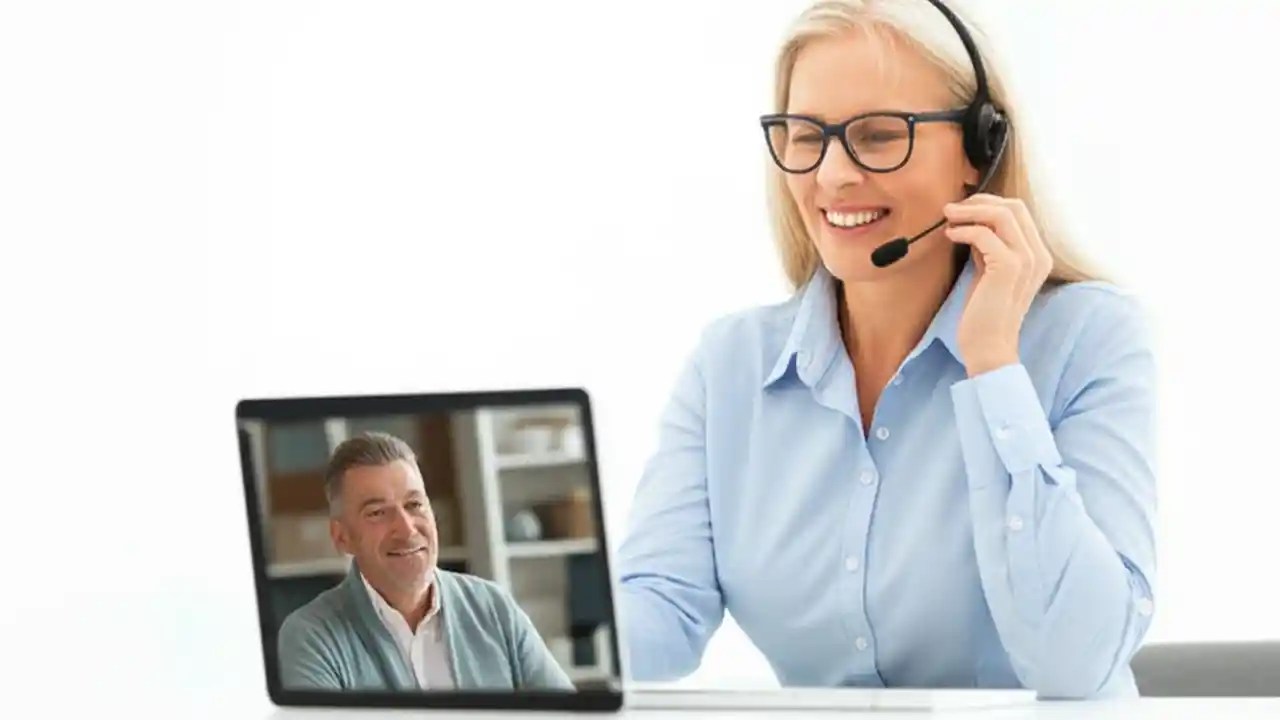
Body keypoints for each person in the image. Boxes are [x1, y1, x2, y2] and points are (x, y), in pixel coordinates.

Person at [615, 0, 1157, 701]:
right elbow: (660, 605)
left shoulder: (1089, 337)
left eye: (877, 135)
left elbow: (1074, 661)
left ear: (979, 150)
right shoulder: (731, 365)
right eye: (806, 135)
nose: (833, 176)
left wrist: (993, 364)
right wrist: (484, 630)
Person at [276, 431, 574, 692]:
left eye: (414, 505)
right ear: (342, 537)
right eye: (377, 512)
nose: (406, 528)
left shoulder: (494, 608)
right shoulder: (311, 637)